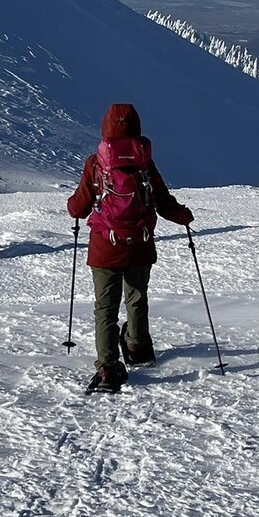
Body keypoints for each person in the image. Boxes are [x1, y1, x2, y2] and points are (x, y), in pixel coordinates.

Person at [67, 103, 193, 392]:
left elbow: (79, 207)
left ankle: (107, 369)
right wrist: (183, 216)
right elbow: (162, 201)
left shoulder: (96, 163)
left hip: (104, 247)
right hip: (139, 242)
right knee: (137, 297)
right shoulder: (143, 162)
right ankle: (137, 348)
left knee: (106, 307)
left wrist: (72, 208)